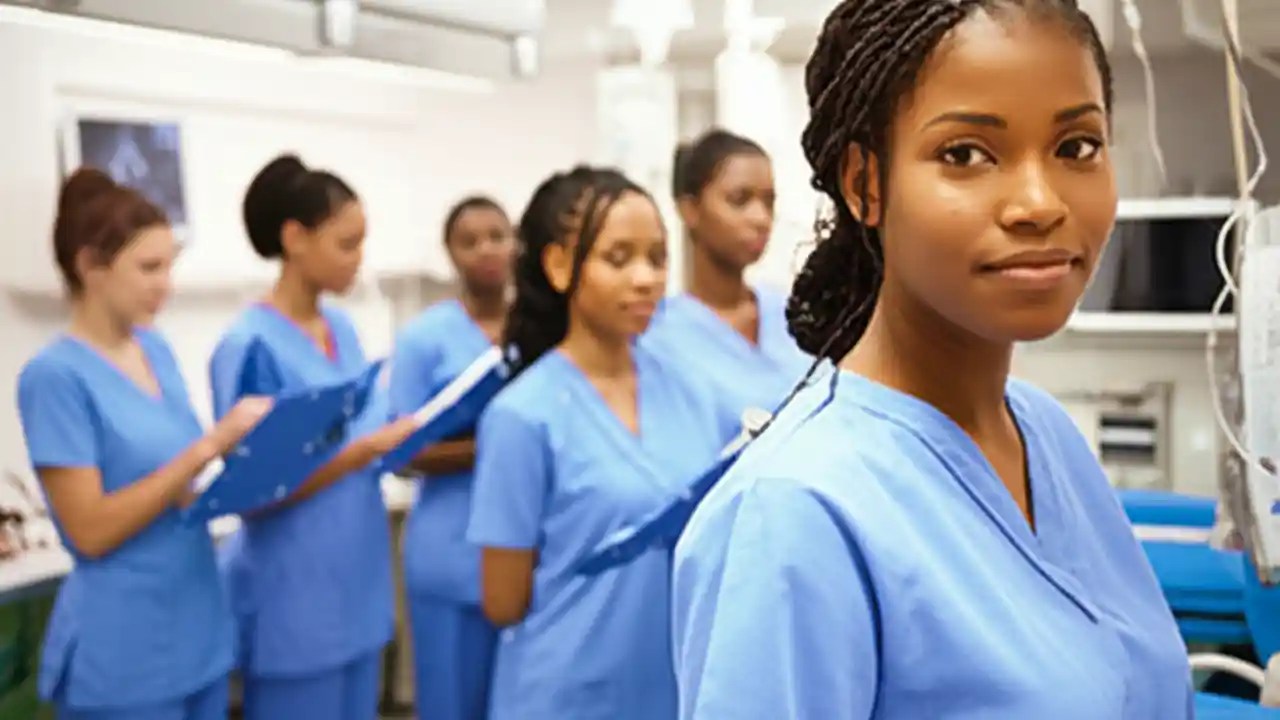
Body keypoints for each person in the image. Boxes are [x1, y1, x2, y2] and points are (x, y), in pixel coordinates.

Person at [671, 2, 1194, 719]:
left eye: (1076, 147)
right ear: (865, 184)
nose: (1039, 204)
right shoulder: (796, 511)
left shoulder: (1044, 433)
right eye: (966, 155)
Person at [467, 167, 737, 720]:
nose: (645, 279)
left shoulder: (695, 392)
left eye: (657, 258)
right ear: (560, 266)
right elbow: (503, 601)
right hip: (563, 693)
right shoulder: (522, 416)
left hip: (670, 686)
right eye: (619, 258)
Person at [16, 168, 270, 720]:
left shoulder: (156, 351)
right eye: (149, 268)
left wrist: (250, 461)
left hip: (196, 629)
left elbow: (176, 485)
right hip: (124, 652)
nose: (166, 285)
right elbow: (90, 531)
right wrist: (209, 446)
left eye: (169, 266)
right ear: (91, 266)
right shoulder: (55, 377)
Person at [209, 155, 416, 720]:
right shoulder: (250, 345)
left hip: (357, 581)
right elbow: (250, 491)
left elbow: (360, 430)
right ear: (295, 238)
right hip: (294, 600)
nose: (359, 259)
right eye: (346, 244)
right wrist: (357, 453)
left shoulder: (341, 330)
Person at [387, 195, 515, 720]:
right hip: (449, 553)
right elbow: (399, 451)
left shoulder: (538, 331)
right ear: (450, 253)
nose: (486, 249)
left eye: (497, 236)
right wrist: (495, 447)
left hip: (527, 553)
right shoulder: (424, 338)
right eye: (469, 241)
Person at [643, 129, 810, 420]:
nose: (761, 218)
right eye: (739, 200)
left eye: (769, 202)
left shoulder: (793, 313)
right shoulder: (656, 335)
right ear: (690, 209)